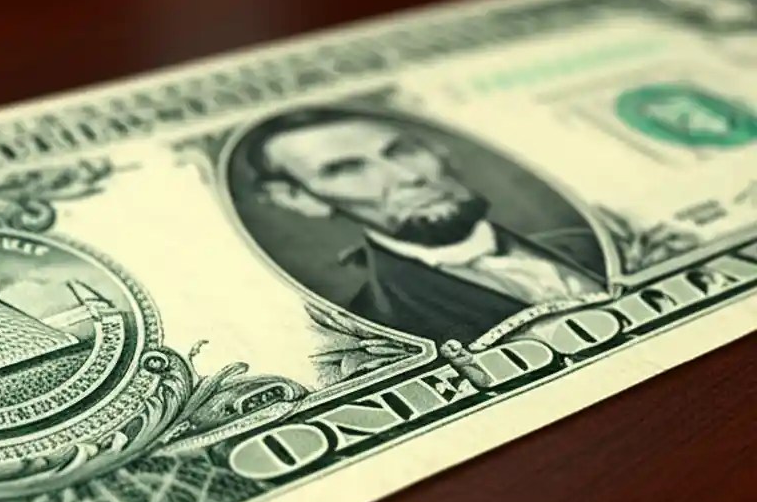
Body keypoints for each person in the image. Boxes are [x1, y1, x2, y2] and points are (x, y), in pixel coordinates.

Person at [248, 113, 607, 342]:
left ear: (437, 150)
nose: (409, 177)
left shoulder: (587, 244)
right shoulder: (383, 324)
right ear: (297, 198)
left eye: (402, 151)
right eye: (345, 170)